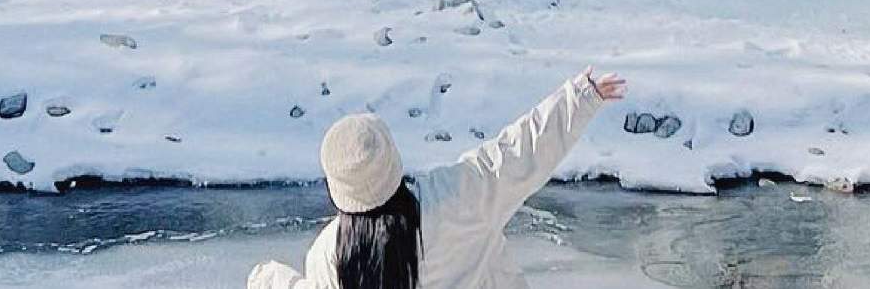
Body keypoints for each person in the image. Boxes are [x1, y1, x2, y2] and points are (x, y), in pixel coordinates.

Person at [248, 69, 628, 289]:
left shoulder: (330, 254)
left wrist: (265, 278)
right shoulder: (458, 199)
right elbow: (520, 151)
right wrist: (580, 96)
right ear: (393, 161)